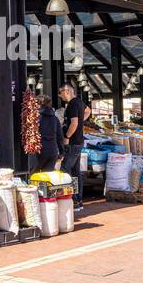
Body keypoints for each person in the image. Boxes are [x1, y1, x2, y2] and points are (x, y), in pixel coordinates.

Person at [60, 82, 86, 211]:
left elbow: (74, 123)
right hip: (79, 141)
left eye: (61, 92)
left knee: (65, 169)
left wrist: (67, 137)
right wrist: (82, 122)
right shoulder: (80, 102)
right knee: (76, 171)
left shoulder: (71, 104)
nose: (60, 95)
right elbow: (88, 111)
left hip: (73, 142)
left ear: (67, 91)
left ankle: (72, 199)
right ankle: (78, 200)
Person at [34, 97, 66, 173]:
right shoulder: (55, 119)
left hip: (39, 151)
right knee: (47, 176)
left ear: (38, 105)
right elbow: (60, 137)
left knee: (34, 176)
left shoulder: (36, 118)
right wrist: (62, 153)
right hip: (52, 151)